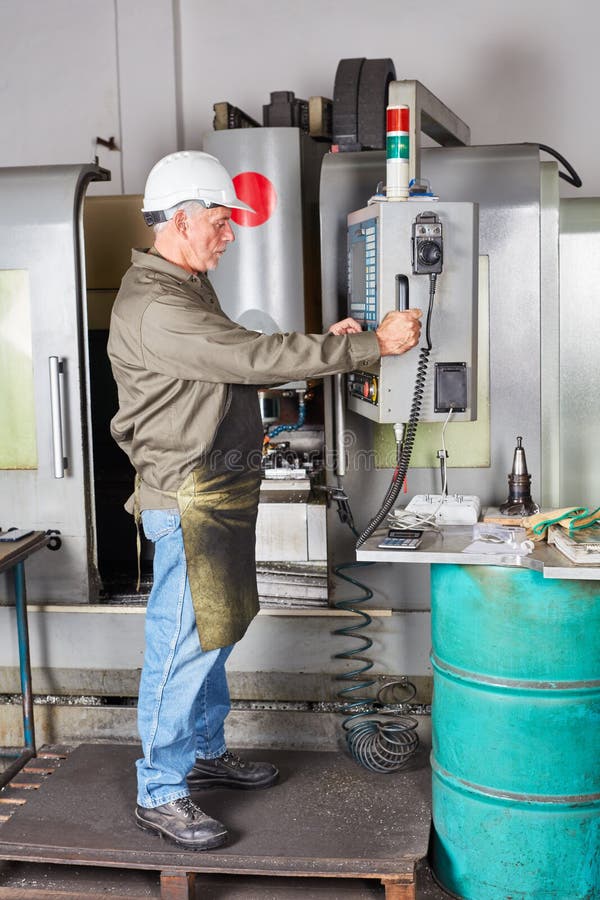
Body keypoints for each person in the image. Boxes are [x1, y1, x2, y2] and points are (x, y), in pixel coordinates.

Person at [107, 150, 422, 851]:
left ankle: (202, 751)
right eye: (220, 222)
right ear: (181, 222)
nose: (230, 234)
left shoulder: (185, 285)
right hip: (188, 496)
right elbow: (248, 359)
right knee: (181, 646)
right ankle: (160, 789)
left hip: (217, 490)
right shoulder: (159, 303)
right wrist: (371, 346)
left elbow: (233, 356)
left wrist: (328, 345)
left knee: (215, 631)